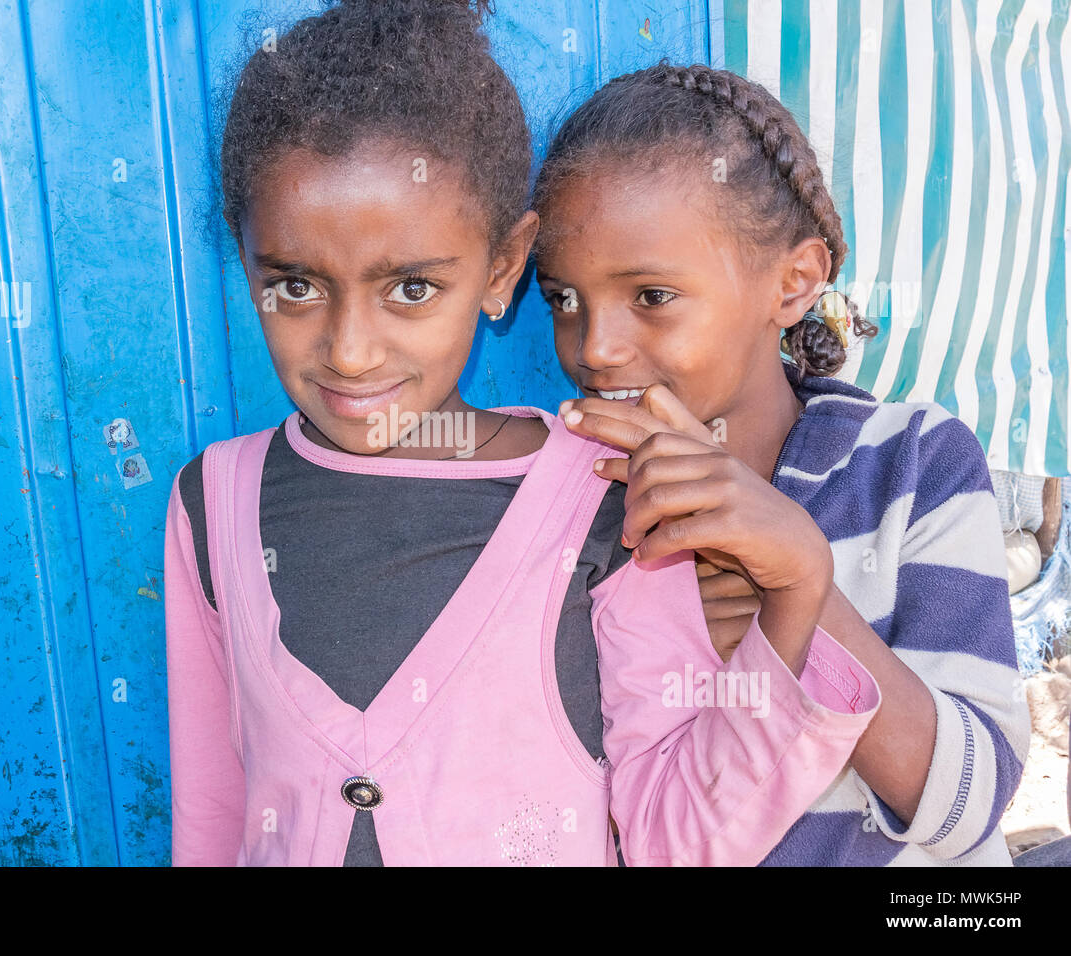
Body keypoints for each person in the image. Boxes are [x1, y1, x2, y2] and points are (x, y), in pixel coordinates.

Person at [164, 4, 876, 867]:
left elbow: (677, 839)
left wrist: (799, 594)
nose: (349, 351)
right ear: (247, 266)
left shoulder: (605, 493)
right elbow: (211, 818)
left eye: (412, 288)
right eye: (296, 286)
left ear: (503, 271)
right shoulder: (213, 503)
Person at [532, 62, 1029, 865]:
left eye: (652, 296)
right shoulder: (578, 496)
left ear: (793, 282)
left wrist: (801, 595)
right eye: (564, 299)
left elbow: (969, 808)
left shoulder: (912, 464)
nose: (594, 348)